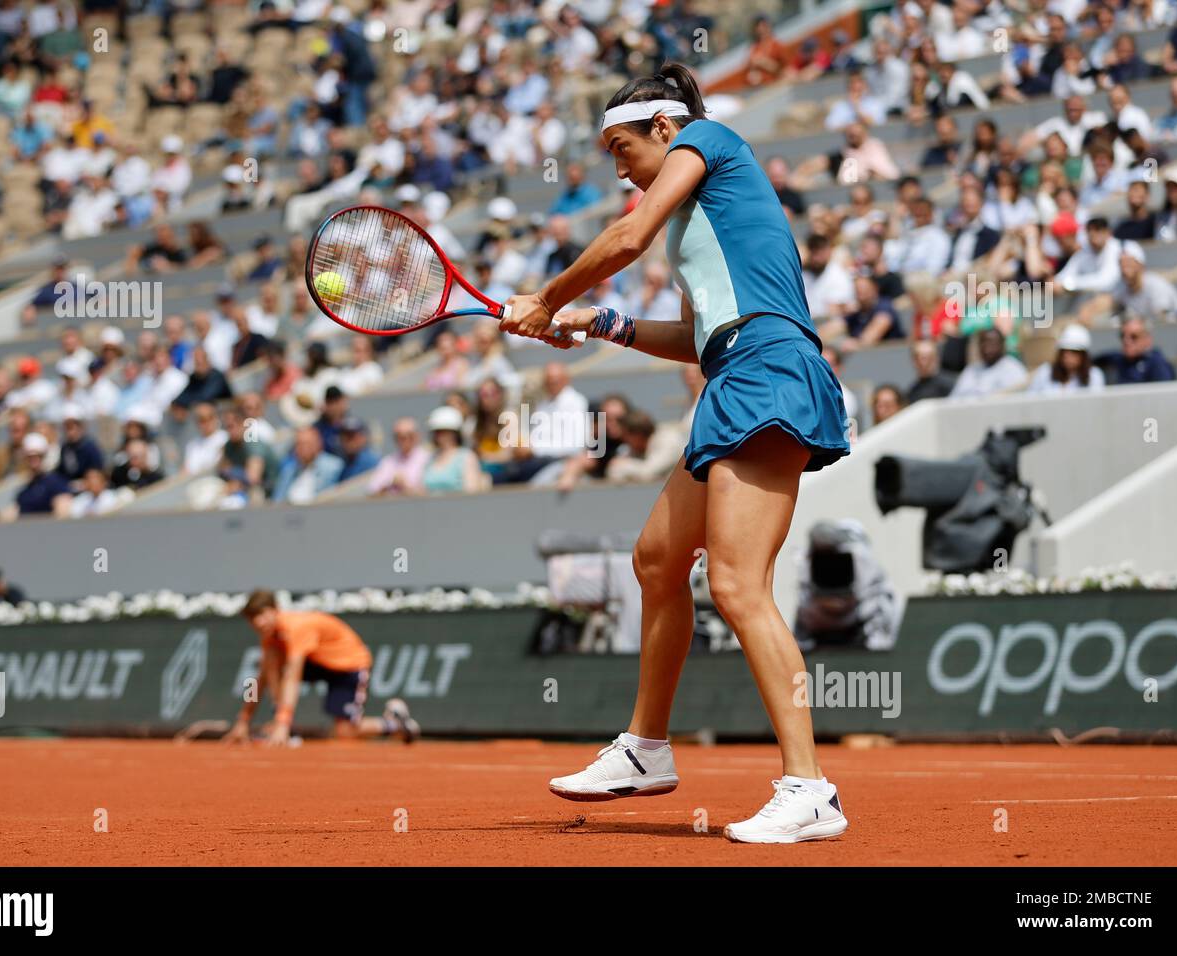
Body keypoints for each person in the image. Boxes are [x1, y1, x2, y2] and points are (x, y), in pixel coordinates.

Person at [500, 63, 851, 843]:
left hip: (769, 370)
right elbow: (695, 337)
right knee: (659, 560)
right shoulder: (701, 224)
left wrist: (548, 298)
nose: (615, 165)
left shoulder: (708, 138)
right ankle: (646, 750)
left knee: (736, 583)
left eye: (620, 146)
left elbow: (627, 236)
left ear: (666, 128)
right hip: (732, 371)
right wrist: (595, 322)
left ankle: (810, 788)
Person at [225, 589, 418, 746]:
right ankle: (280, 721)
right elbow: (259, 680)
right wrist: (243, 720)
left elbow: (293, 674)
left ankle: (395, 724)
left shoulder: (296, 628)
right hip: (320, 662)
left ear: (275, 610)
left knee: (345, 733)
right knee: (268, 664)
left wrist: (284, 721)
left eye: (261, 614)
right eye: (252, 618)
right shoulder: (269, 637)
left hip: (348, 664)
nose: (258, 622)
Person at [949, 328, 1029, 399]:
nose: (987, 349)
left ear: (1002, 345)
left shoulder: (1013, 369)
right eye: (984, 344)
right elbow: (953, 399)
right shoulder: (971, 370)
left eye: (992, 344)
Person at [1028, 323, 1106, 394]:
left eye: (1074, 351)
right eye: (1064, 351)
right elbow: (1030, 400)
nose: (1067, 356)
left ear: (1084, 355)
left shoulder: (1094, 376)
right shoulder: (1044, 373)